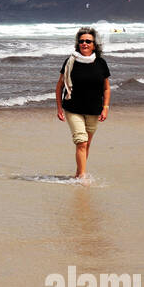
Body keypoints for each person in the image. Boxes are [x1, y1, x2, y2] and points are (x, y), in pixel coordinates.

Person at [55, 27, 110, 179]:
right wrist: (59, 107)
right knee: (81, 142)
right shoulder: (70, 61)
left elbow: (106, 88)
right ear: (77, 44)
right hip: (73, 108)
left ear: (94, 44)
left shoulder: (100, 63)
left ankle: (78, 173)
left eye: (88, 41)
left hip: (94, 109)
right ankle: (82, 177)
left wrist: (105, 108)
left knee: (87, 144)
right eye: (81, 41)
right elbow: (60, 86)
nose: (84, 44)